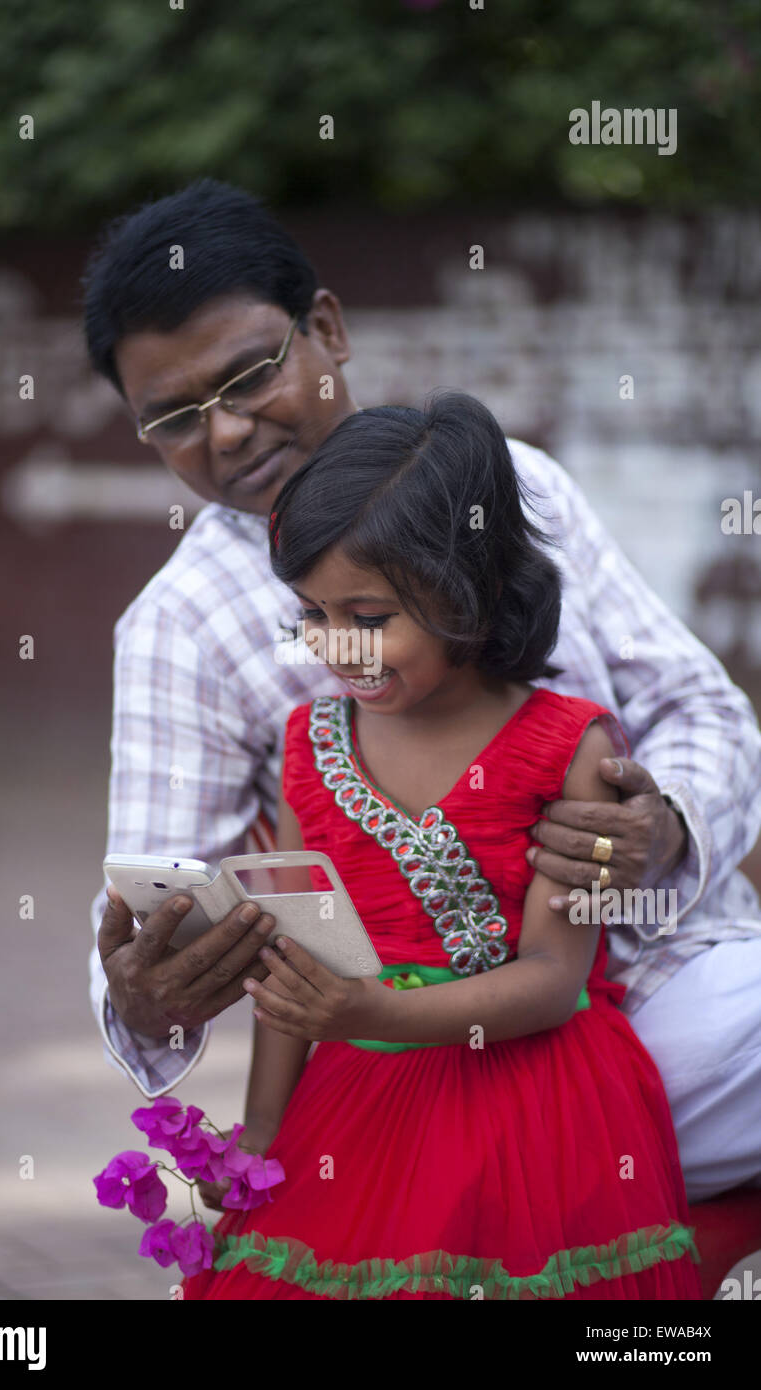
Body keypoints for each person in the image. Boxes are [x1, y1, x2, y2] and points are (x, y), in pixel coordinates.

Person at [82, 179, 761, 1203]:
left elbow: (701, 709)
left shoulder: (517, 489)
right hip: (420, 1068)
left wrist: (661, 822)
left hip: (677, 990)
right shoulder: (178, 631)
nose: (222, 434)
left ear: (326, 328)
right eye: (172, 417)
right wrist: (139, 998)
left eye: (247, 376)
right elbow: (167, 901)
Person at [183, 394, 703, 1300]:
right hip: (356, 1102)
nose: (335, 645)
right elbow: (294, 956)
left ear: (478, 591)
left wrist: (372, 1017)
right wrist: (261, 1131)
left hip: (540, 1107)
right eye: (310, 612)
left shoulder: (573, 750)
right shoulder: (307, 747)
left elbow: (553, 977)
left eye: (370, 615)